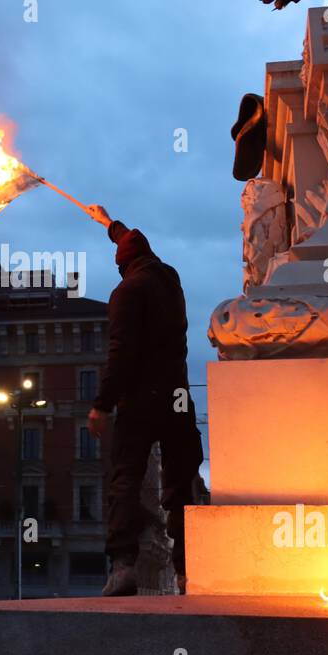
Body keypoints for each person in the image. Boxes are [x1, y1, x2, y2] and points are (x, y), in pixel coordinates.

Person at [85, 205, 205, 597]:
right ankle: (188, 571)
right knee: (180, 486)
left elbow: (121, 353)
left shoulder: (126, 292)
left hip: (141, 400)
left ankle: (123, 568)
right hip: (178, 397)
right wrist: (108, 223)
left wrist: (102, 404)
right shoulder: (172, 281)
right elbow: (137, 244)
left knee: (126, 480)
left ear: (123, 266)